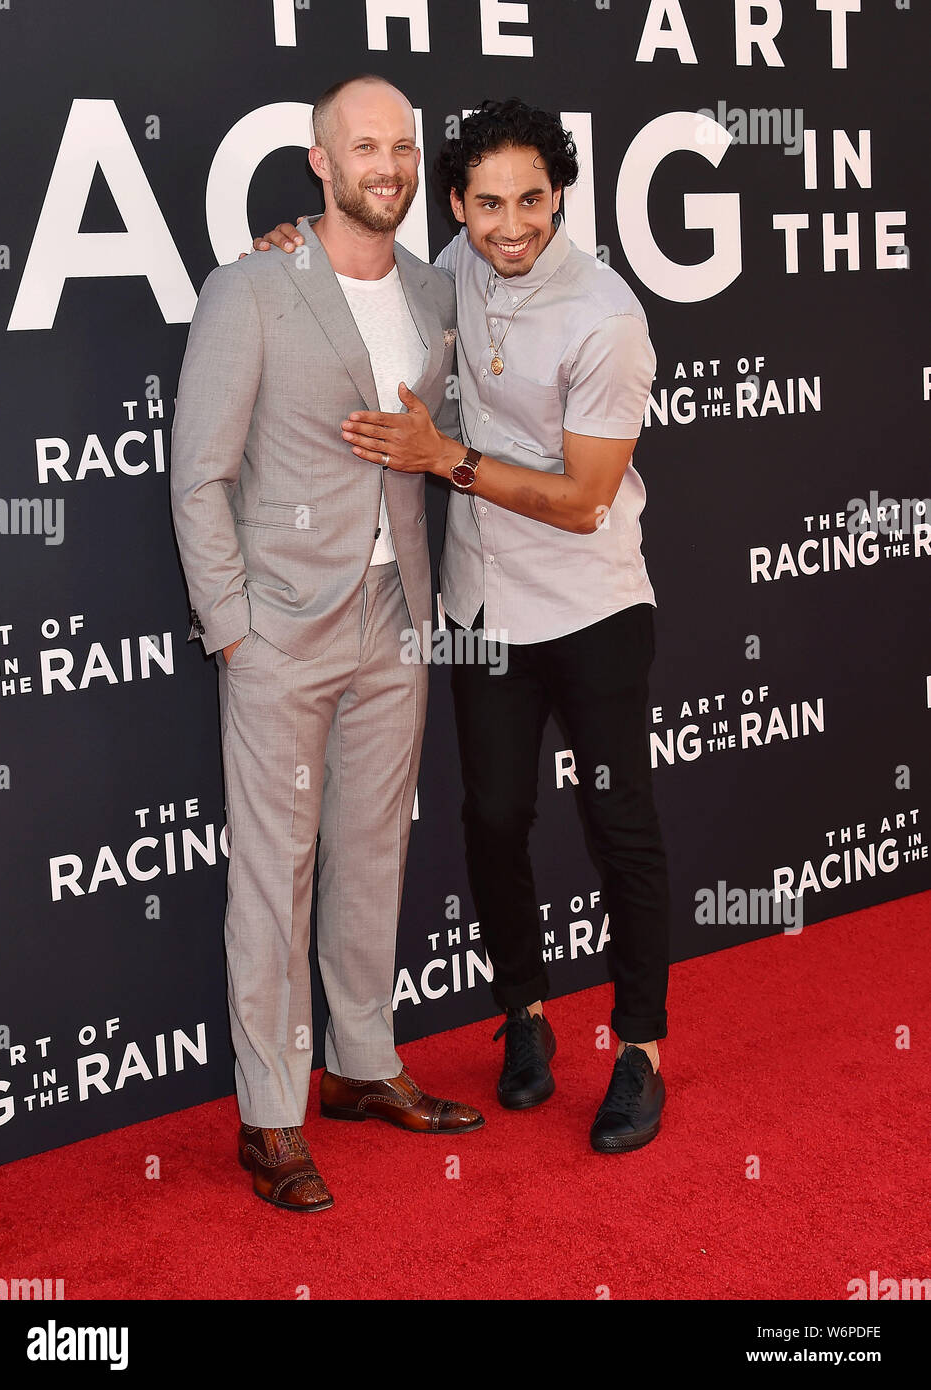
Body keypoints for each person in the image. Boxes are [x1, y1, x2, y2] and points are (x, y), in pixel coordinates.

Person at [255, 98, 670, 1154]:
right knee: (493, 820)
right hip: (482, 609)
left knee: (620, 829)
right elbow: (362, 258)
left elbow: (583, 500)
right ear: (458, 204)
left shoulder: (608, 319)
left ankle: (638, 1050)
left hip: (591, 606)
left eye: (531, 198)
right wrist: (291, 248)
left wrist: (447, 461)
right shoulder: (453, 265)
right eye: (488, 203)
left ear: (560, 194)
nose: (511, 224)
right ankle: (523, 1019)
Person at [170, 74, 483, 1214]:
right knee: (273, 876)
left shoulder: (428, 289)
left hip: (395, 623)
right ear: (320, 160)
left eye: (401, 147)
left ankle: (360, 1063)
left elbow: (437, 438)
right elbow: (197, 474)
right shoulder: (252, 285)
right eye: (365, 148)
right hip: (281, 636)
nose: (388, 166)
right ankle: (268, 1116)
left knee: (370, 856)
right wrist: (234, 631)